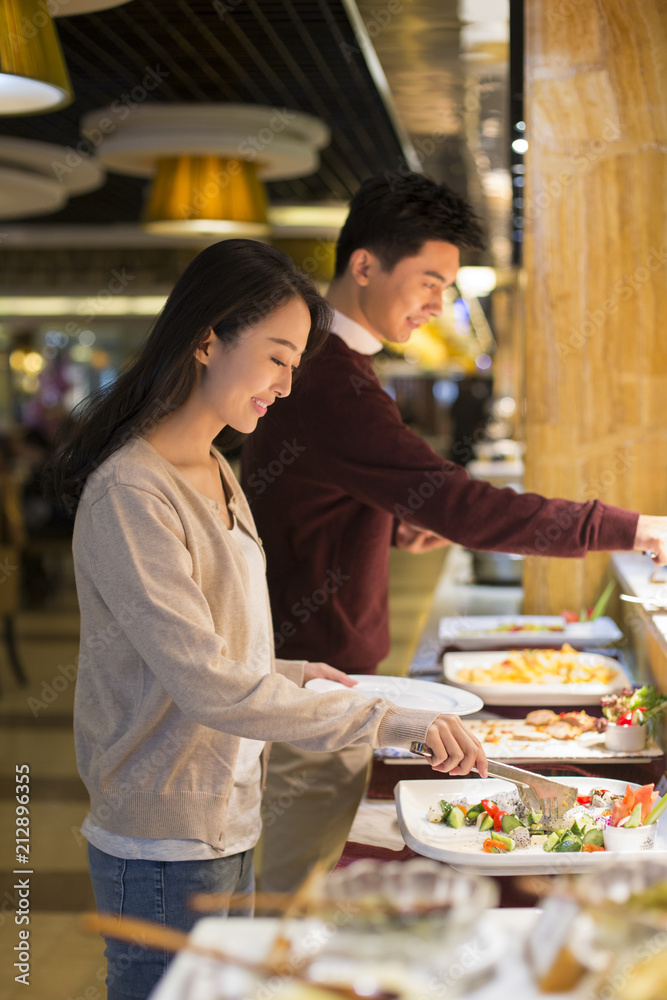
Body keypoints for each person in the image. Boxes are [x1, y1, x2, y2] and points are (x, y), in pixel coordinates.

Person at [45, 239, 487, 1000]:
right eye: (277, 358)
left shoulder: (217, 466)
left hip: (229, 813)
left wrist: (295, 673)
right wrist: (387, 722)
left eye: (296, 365)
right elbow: (209, 686)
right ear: (207, 338)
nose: (286, 387)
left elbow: (219, 651)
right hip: (162, 841)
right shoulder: (132, 493)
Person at [241, 172, 667, 895]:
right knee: (287, 882)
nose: (439, 304)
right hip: (310, 677)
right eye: (430, 281)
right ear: (365, 265)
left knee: (297, 868)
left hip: (321, 669)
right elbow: (463, 506)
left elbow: (323, 494)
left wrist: (392, 521)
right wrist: (628, 527)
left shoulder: (342, 369)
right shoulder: (329, 379)